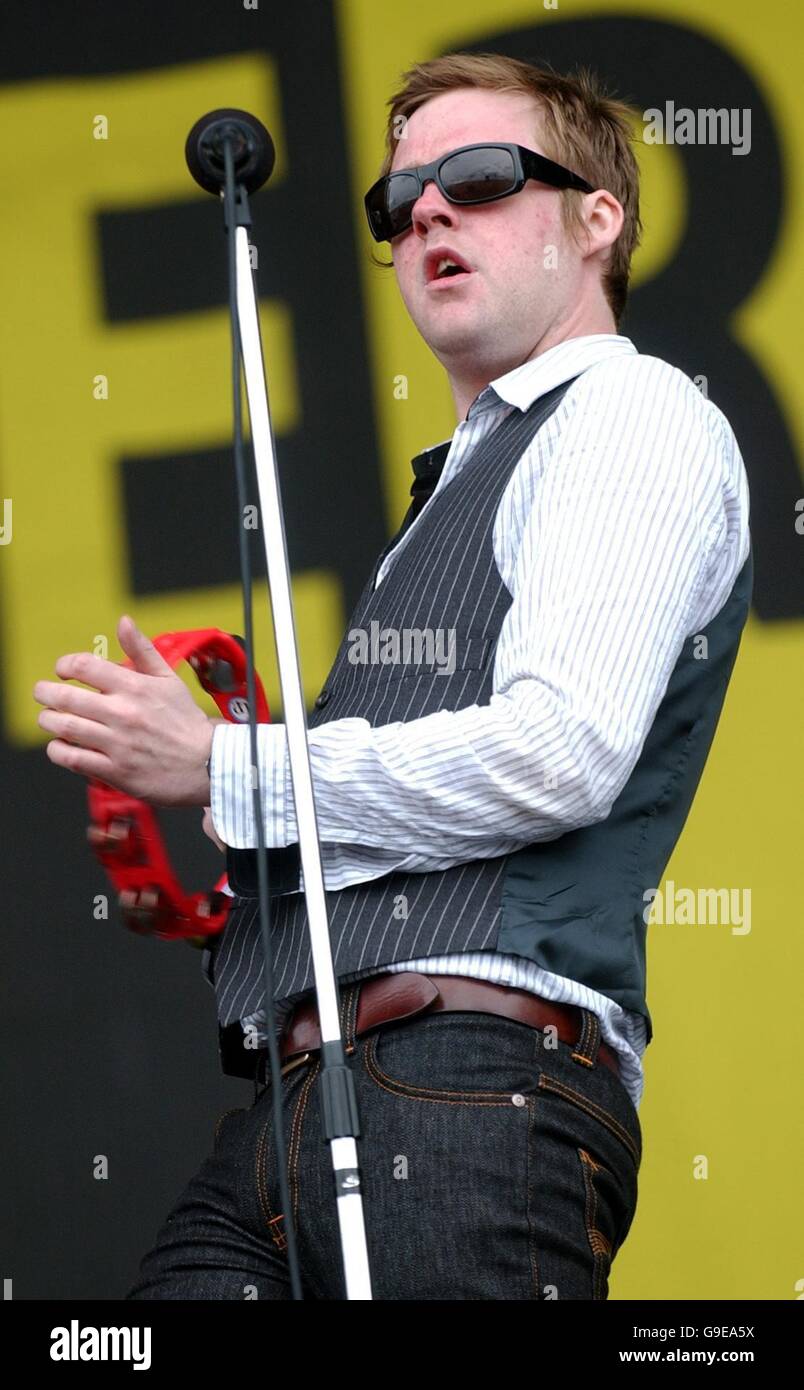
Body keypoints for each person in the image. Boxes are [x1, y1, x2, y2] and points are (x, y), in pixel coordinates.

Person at [33, 53, 751, 1300]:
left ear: (598, 219)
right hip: (299, 1103)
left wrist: (220, 761)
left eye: (476, 176)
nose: (425, 209)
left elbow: (558, 752)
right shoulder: (466, 480)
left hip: (470, 1093)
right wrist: (234, 893)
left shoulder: (628, 414)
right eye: (399, 196)